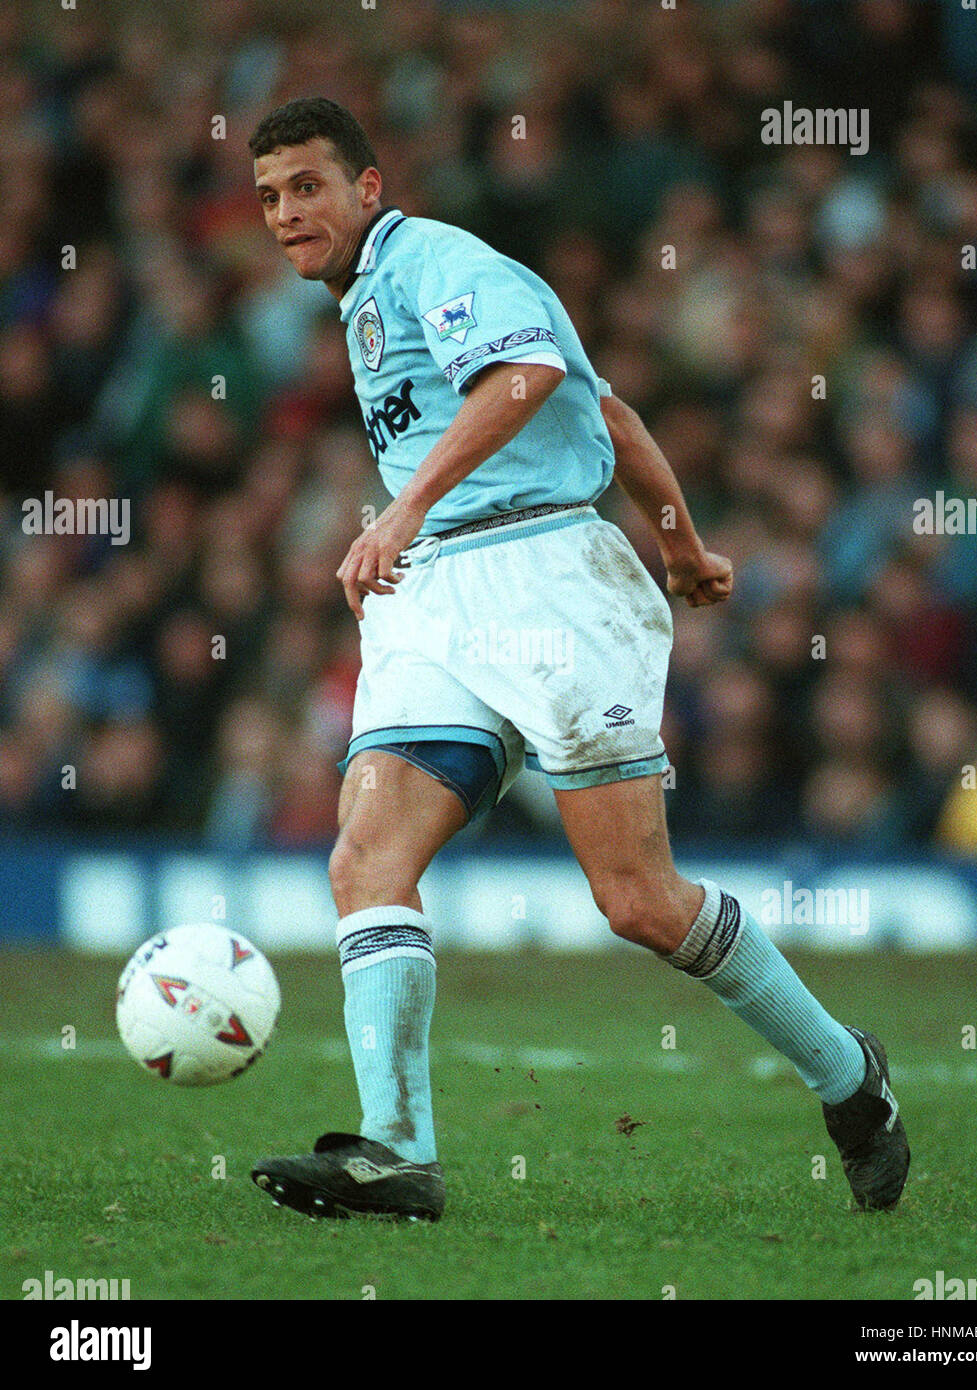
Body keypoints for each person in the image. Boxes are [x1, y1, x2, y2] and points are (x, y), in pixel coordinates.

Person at [247, 97, 909, 1221]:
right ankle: (398, 1153)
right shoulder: (372, 297)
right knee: (364, 857)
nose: (285, 214)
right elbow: (611, 406)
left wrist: (403, 509)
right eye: (268, 196)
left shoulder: (435, 259)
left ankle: (847, 1077)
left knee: (638, 901)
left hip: (546, 579)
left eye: (307, 186)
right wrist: (684, 543)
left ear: (367, 187)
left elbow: (529, 383)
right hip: (434, 598)